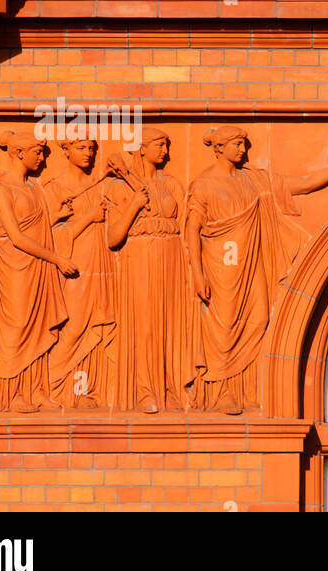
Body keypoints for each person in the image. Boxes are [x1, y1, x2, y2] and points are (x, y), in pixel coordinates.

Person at [185, 126, 328, 414]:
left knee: (260, 318)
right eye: (237, 144)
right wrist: (198, 273)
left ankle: (246, 388)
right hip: (221, 268)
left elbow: (305, 183)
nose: (243, 149)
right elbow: (191, 230)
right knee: (223, 328)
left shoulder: (255, 179)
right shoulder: (204, 185)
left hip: (253, 267)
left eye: (244, 144)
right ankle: (221, 391)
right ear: (220, 148)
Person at [105, 128, 202, 414]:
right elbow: (112, 238)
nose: (165, 151)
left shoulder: (171, 184)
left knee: (172, 322)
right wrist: (134, 206)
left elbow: (186, 228)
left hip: (171, 255)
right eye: (159, 145)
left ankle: (171, 387)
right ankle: (145, 390)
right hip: (140, 256)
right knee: (145, 324)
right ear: (141, 148)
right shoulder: (120, 187)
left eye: (166, 145)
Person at [0, 131, 76, 413]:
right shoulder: (0, 190)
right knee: (16, 329)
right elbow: (17, 237)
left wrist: (57, 216)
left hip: (36, 269)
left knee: (36, 328)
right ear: (19, 153)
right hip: (11, 271)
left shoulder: (34, 188)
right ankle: (12, 395)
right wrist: (57, 258)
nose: (43, 158)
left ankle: (36, 391)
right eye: (38, 152)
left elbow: (36, 226)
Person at [42, 136, 117, 409]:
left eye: (92, 149)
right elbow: (46, 236)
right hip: (73, 268)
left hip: (102, 265)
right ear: (65, 150)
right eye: (81, 148)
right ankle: (53, 386)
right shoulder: (54, 188)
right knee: (73, 327)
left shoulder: (99, 186)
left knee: (97, 325)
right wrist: (88, 218)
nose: (88, 154)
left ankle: (85, 392)